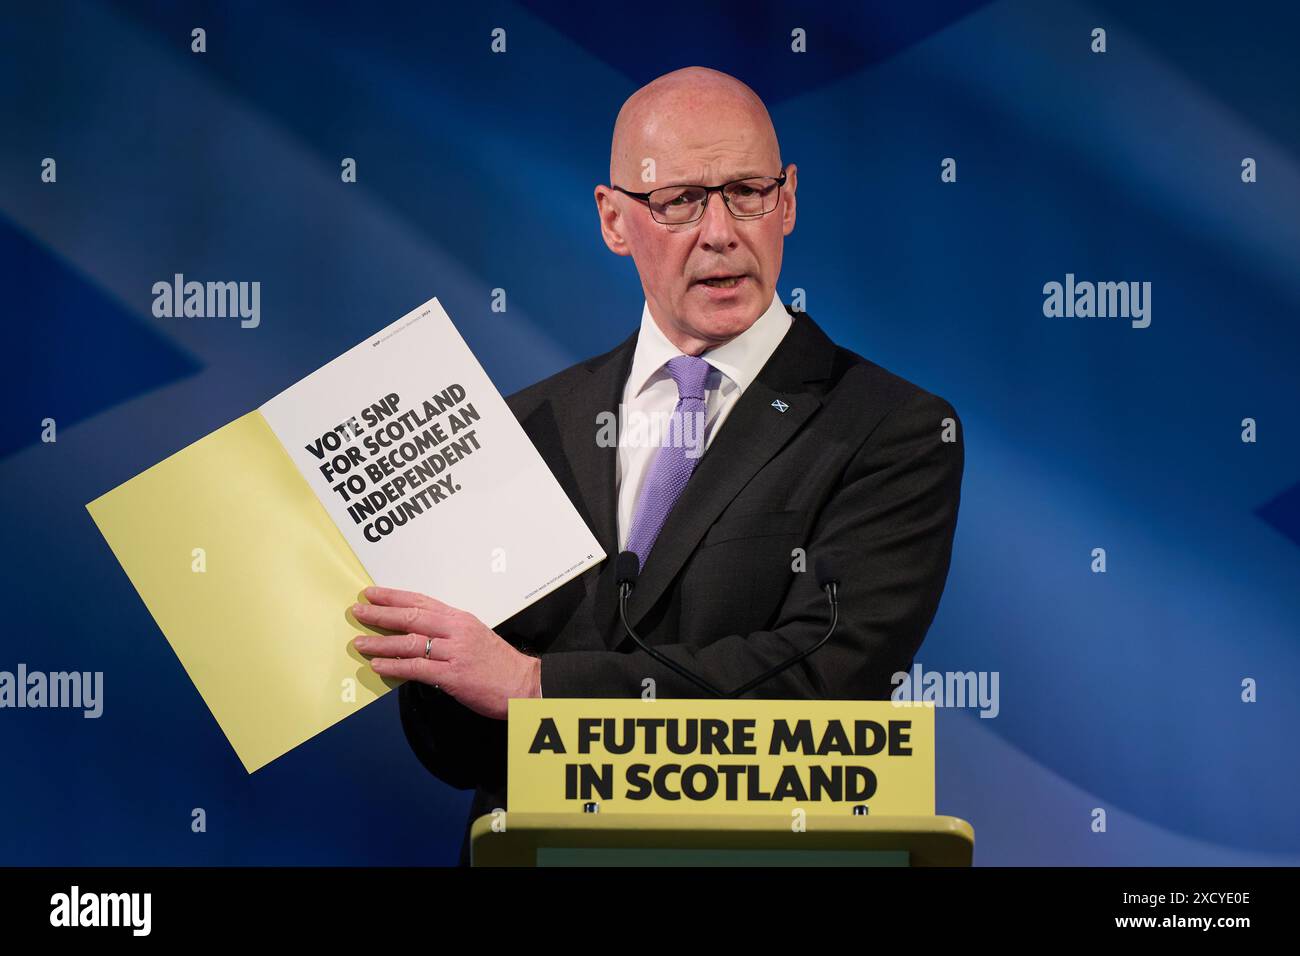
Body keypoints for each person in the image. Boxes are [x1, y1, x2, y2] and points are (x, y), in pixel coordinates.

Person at [349, 66, 964, 864]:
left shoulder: (891, 429)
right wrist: (430, 659)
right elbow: (461, 751)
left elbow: (828, 681)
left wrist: (540, 690)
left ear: (789, 200)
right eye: (678, 201)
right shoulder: (524, 427)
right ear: (613, 218)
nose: (720, 232)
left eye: (747, 191)